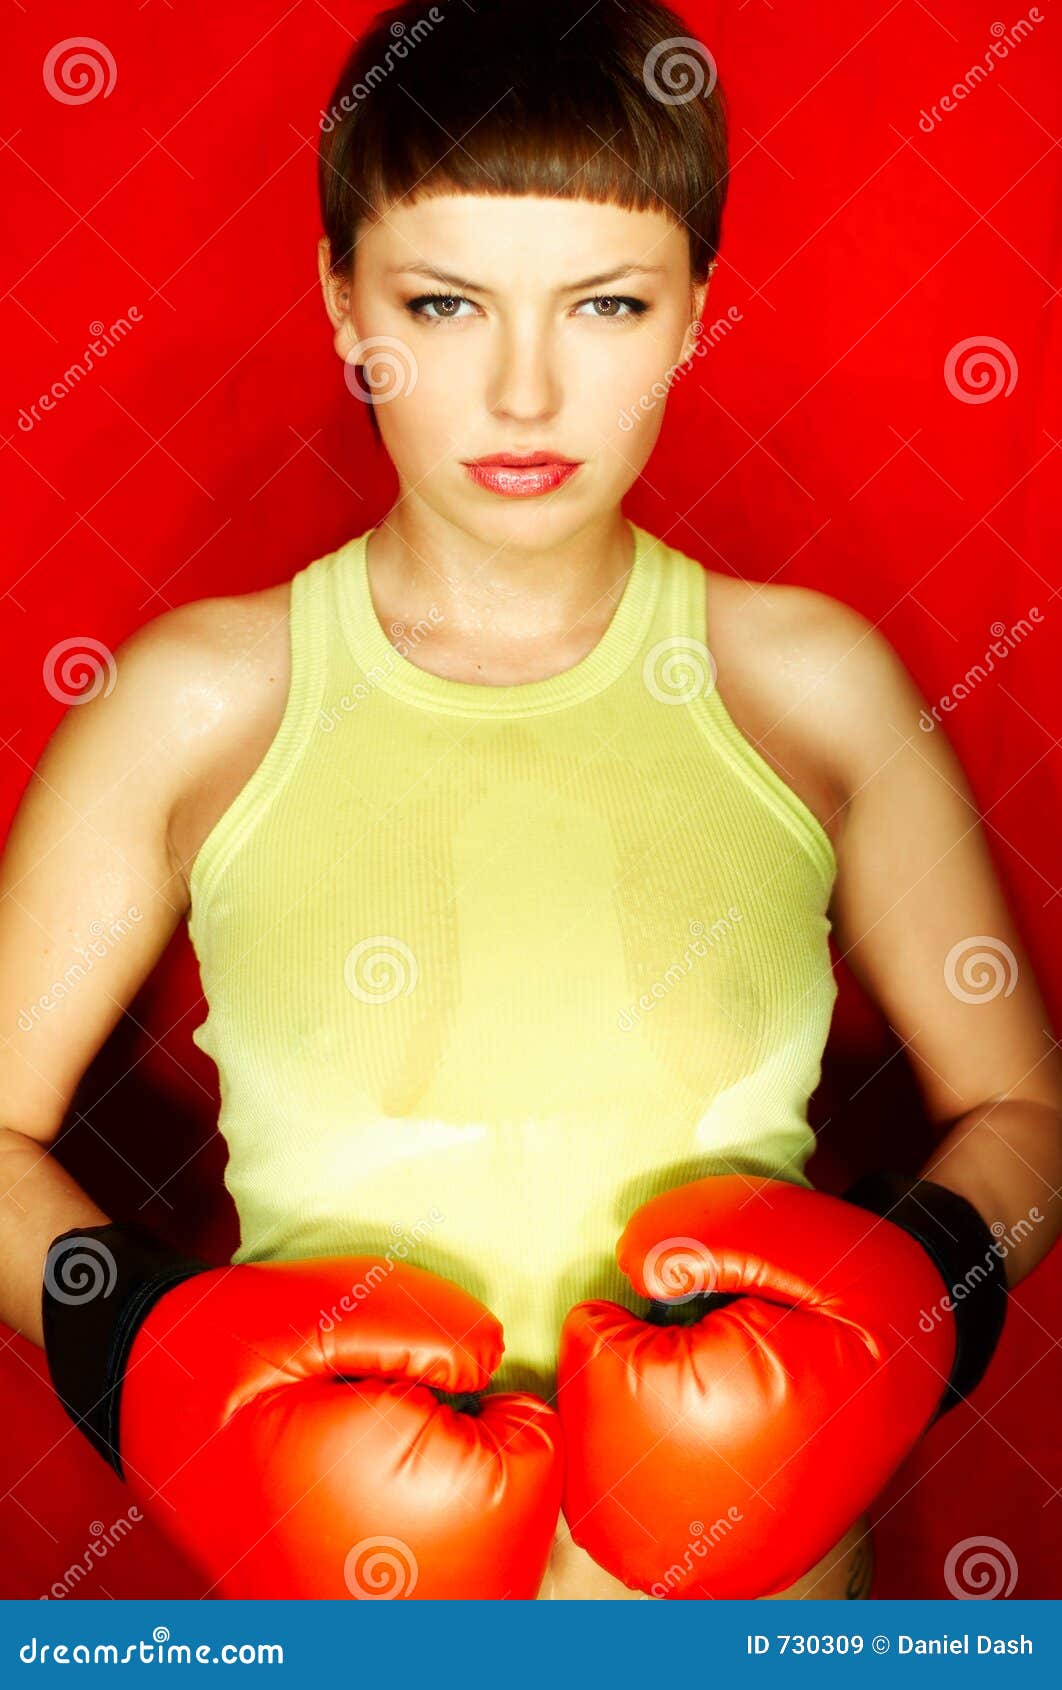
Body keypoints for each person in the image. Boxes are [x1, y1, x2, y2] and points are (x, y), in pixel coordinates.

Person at [2, 0, 1060, 1602]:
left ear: (694, 308)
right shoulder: (196, 701)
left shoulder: (810, 683)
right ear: (341, 299)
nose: (522, 393)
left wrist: (913, 1293)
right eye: (443, 303)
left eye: (605, 304)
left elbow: (1027, 1119)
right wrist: (138, 1350)